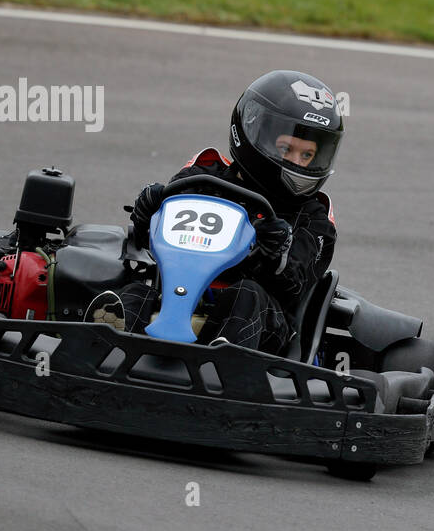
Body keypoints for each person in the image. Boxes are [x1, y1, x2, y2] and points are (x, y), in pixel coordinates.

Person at [85, 70, 342, 352]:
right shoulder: (204, 175)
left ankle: (225, 359)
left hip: (262, 328)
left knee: (247, 296)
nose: (297, 162)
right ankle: (104, 346)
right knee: (136, 293)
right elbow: (154, 241)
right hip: (176, 297)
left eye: (307, 155)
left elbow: (295, 287)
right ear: (252, 130)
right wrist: (146, 213)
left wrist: (276, 255)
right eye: (286, 148)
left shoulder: (314, 217)